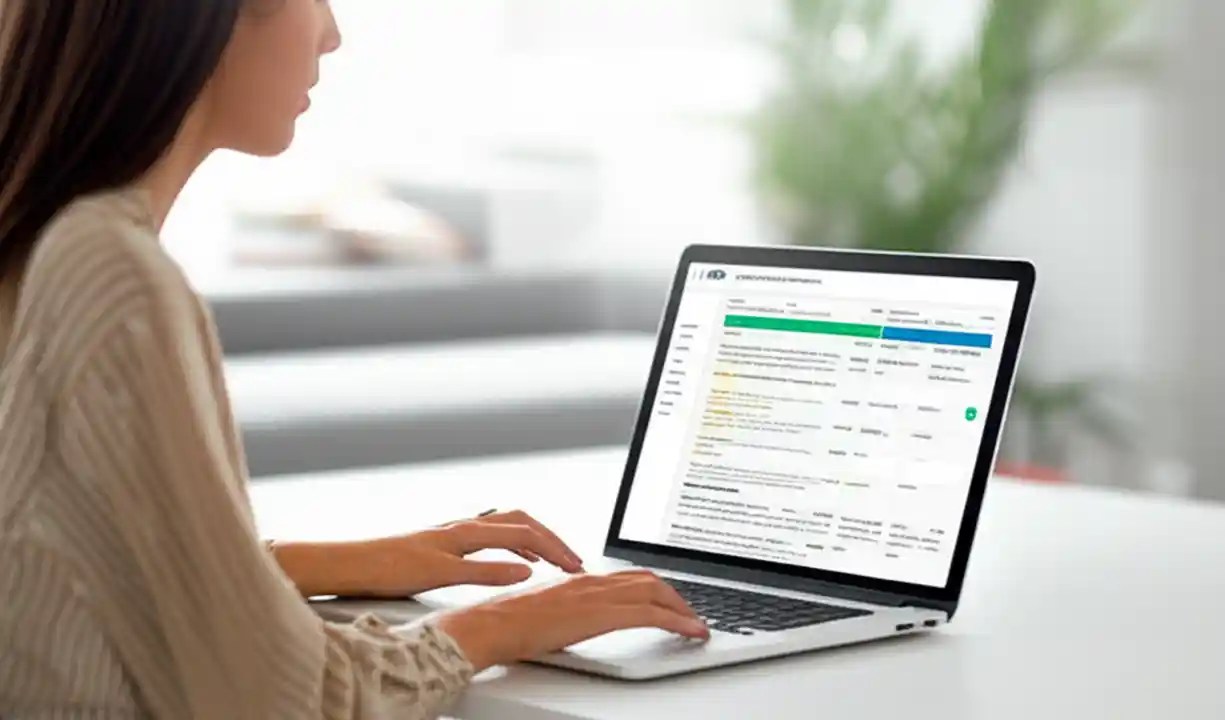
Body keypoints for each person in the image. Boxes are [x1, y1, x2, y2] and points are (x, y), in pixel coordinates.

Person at [0, 2, 709, 718]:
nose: (333, 33)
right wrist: (500, 625)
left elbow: (82, 571)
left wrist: (340, 563)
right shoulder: (109, 274)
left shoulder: (43, 250)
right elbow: (281, 701)